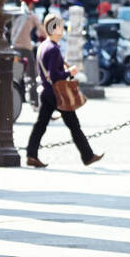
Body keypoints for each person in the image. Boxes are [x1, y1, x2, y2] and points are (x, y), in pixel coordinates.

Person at [26, 13, 103, 169]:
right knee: (73, 125)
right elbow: (55, 76)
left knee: (41, 125)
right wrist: (70, 73)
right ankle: (88, 155)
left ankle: (31, 154)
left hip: (47, 92)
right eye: (61, 27)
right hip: (56, 93)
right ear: (54, 29)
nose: (63, 30)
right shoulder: (53, 49)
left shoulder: (43, 46)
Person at [10, 0, 46, 103]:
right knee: (31, 75)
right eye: (32, 3)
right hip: (26, 48)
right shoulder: (31, 16)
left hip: (14, 48)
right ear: (29, 4)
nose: (33, 5)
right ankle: (34, 100)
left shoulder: (16, 14)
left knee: (16, 74)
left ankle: (16, 97)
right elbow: (42, 32)